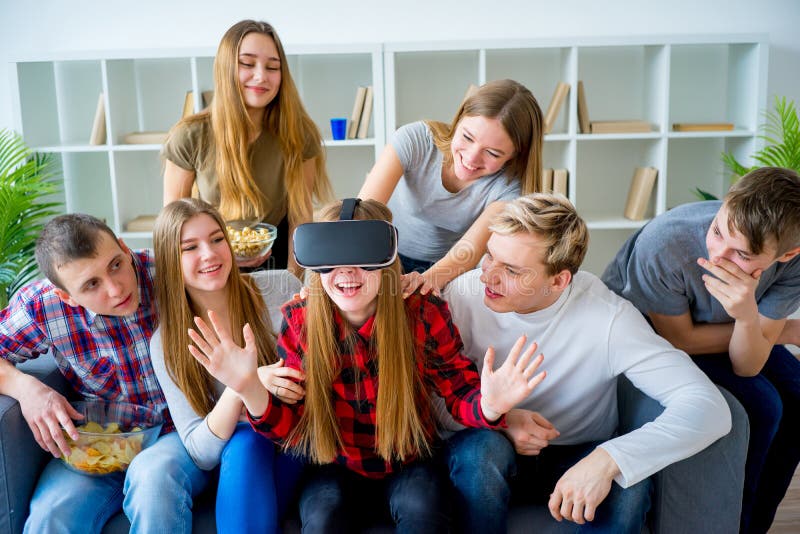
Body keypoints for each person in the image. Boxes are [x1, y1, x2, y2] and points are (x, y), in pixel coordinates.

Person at [187, 198, 546, 532]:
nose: (346, 272)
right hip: (335, 466)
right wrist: (248, 387)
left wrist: (489, 405)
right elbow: (292, 426)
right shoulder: (300, 320)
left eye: (361, 258)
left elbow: (458, 390)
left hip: (409, 461)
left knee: (425, 510)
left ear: (386, 260)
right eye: (331, 260)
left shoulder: (422, 311)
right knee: (322, 519)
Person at [437, 194, 733, 533]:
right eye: (489, 257)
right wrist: (498, 419)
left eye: (512, 270)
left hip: (574, 452)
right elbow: (427, 402)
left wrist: (609, 460)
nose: (487, 277)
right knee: (479, 454)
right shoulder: (462, 295)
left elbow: (710, 408)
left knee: (629, 482)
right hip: (486, 445)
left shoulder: (608, 318)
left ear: (559, 281)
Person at [602, 166, 800, 534]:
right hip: (659, 334)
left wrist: (747, 320)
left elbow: (746, 364)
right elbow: (682, 340)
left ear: (787, 255)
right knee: (764, 405)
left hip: (732, 327)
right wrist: (778, 328)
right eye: (717, 230)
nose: (718, 253)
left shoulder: (794, 262)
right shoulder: (667, 242)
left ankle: (754, 523)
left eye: (741, 255)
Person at [0, 214, 208, 533]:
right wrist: (27, 389)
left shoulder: (169, 273)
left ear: (124, 248)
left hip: (175, 434)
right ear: (66, 296)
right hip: (100, 444)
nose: (116, 288)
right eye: (91, 284)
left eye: (115, 264)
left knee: (152, 485)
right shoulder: (41, 307)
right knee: (50, 517)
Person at [150, 198, 305, 533]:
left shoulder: (279, 287)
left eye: (217, 239)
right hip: (240, 461)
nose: (209, 254)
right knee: (247, 442)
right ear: (169, 260)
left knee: (257, 439)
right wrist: (244, 386)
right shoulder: (167, 342)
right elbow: (200, 453)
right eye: (189, 247)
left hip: (297, 439)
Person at [162, 19, 333, 276]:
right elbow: (173, 224)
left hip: (276, 256)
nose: (261, 76)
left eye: (272, 67)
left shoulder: (300, 133)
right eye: (247, 63)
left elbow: (300, 217)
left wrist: (291, 283)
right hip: (209, 256)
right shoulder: (189, 135)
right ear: (226, 68)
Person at [358, 78, 543, 287]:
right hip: (384, 257)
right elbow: (363, 217)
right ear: (458, 121)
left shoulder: (509, 189)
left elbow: (467, 252)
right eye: (467, 137)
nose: (471, 158)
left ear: (515, 155)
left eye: (492, 153)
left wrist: (422, 282)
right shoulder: (416, 139)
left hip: (450, 270)